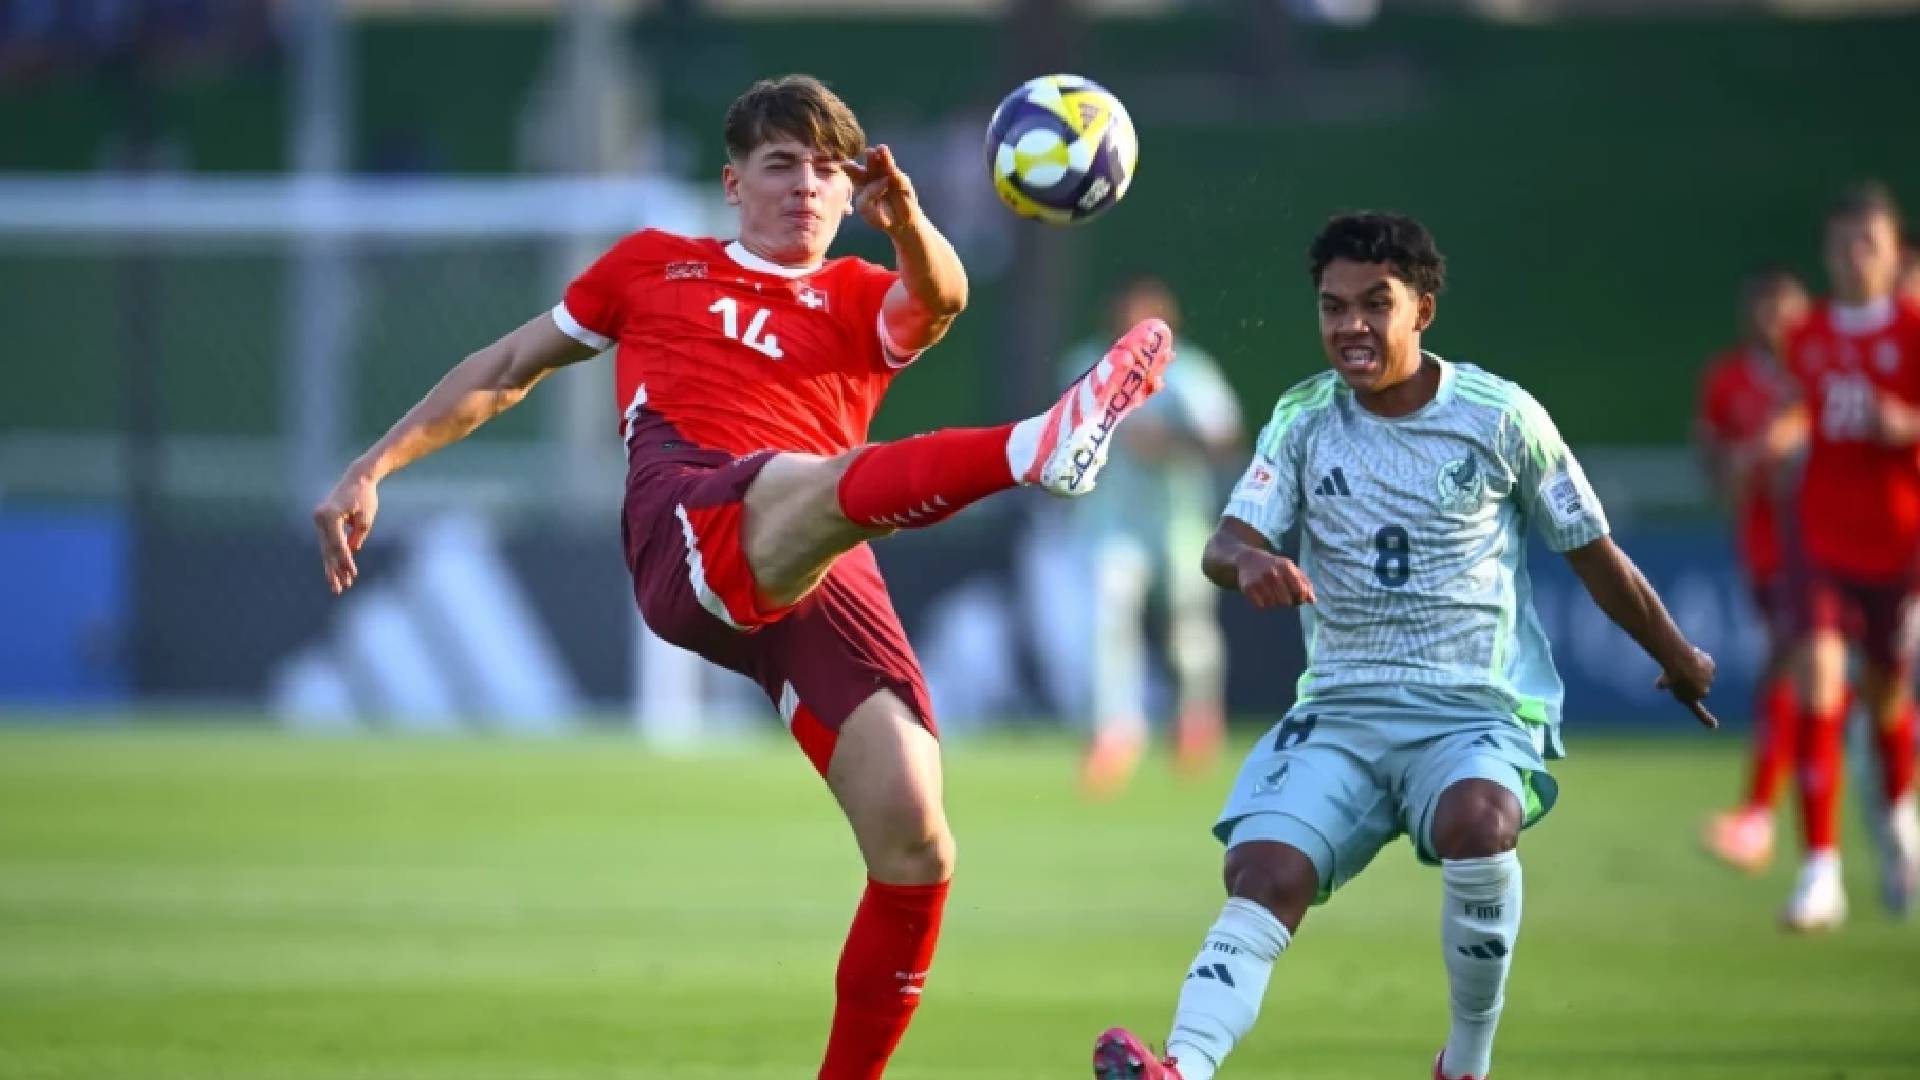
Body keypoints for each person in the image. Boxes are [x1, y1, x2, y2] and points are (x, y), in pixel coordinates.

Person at [310, 74, 1177, 1080]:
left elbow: (941, 298)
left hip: (820, 557)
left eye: (825, 170)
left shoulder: (859, 293)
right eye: (780, 165)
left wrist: (910, 226)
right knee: (812, 481)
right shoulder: (654, 267)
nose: (805, 186)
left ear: (851, 195)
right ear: (732, 183)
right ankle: (1035, 446)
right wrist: (375, 464)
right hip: (692, 513)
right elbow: (511, 363)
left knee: (916, 841)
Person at [1089, 212, 1716, 1080]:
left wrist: (1676, 653)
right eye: (1331, 306)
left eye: (1373, 304)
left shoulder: (1502, 418)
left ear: (1422, 309)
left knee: (1480, 822)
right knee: (1262, 871)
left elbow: (1592, 553)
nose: (1348, 325)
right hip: (1342, 711)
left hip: (1471, 711)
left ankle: (1464, 1064)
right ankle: (1183, 1069)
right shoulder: (1304, 419)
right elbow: (1221, 544)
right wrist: (1252, 563)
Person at [1776, 182, 1920, 932]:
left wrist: (1907, 424)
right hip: (1822, 541)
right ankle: (1820, 869)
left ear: (1895, 251)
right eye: (1842, 244)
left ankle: (1898, 819)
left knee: (1890, 697)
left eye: (1869, 242)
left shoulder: (1915, 326)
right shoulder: (1809, 335)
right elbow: (1802, 407)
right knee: (1821, 681)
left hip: (1899, 549)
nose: (1854, 257)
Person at [1059, 276, 1245, 797]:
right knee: (1106, 621)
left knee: (1188, 631)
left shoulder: (1188, 371)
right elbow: (1060, 433)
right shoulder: (1087, 364)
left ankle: (1196, 723)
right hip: (1109, 522)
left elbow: (1226, 439)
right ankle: (1112, 732)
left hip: (1176, 521)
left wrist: (1172, 440)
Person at [1697, 269, 1811, 873]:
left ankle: (1761, 816)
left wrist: (1788, 438)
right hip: (1769, 548)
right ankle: (1769, 820)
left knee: (1797, 669)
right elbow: (1711, 459)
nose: (1777, 322)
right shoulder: (1728, 380)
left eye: (1787, 310)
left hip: (1835, 544)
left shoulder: (1820, 371)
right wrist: (1734, 466)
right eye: (1766, 309)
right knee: (1799, 670)